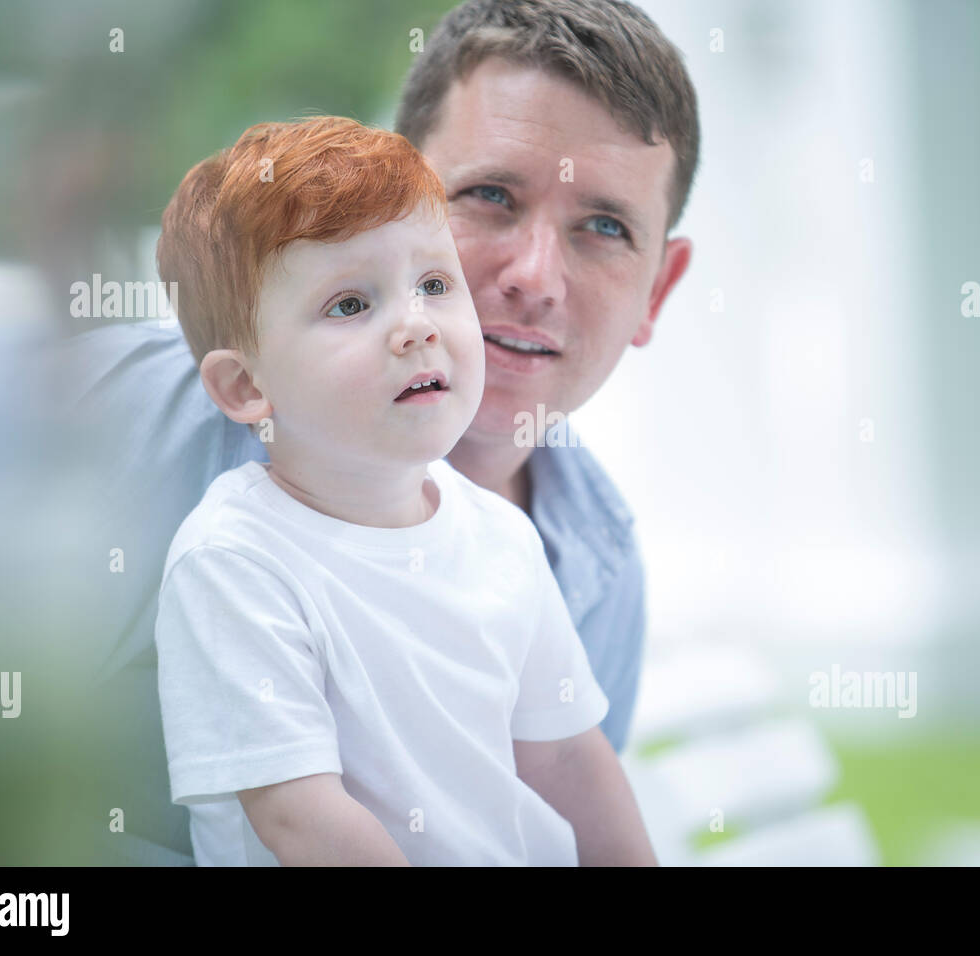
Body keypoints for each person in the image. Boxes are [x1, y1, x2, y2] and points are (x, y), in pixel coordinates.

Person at [69, 0, 697, 864]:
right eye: (489, 196)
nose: (534, 278)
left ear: (656, 292)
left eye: (604, 226)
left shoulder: (575, 559)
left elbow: (571, 773)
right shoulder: (130, 442)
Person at [152, 115, 655, 865]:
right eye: (350, 304)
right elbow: (302, 817)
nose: (416, 326)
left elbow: (570, 762)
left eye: (432, 283)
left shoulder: (502, 537)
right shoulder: (235, 562)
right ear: (246, 384)